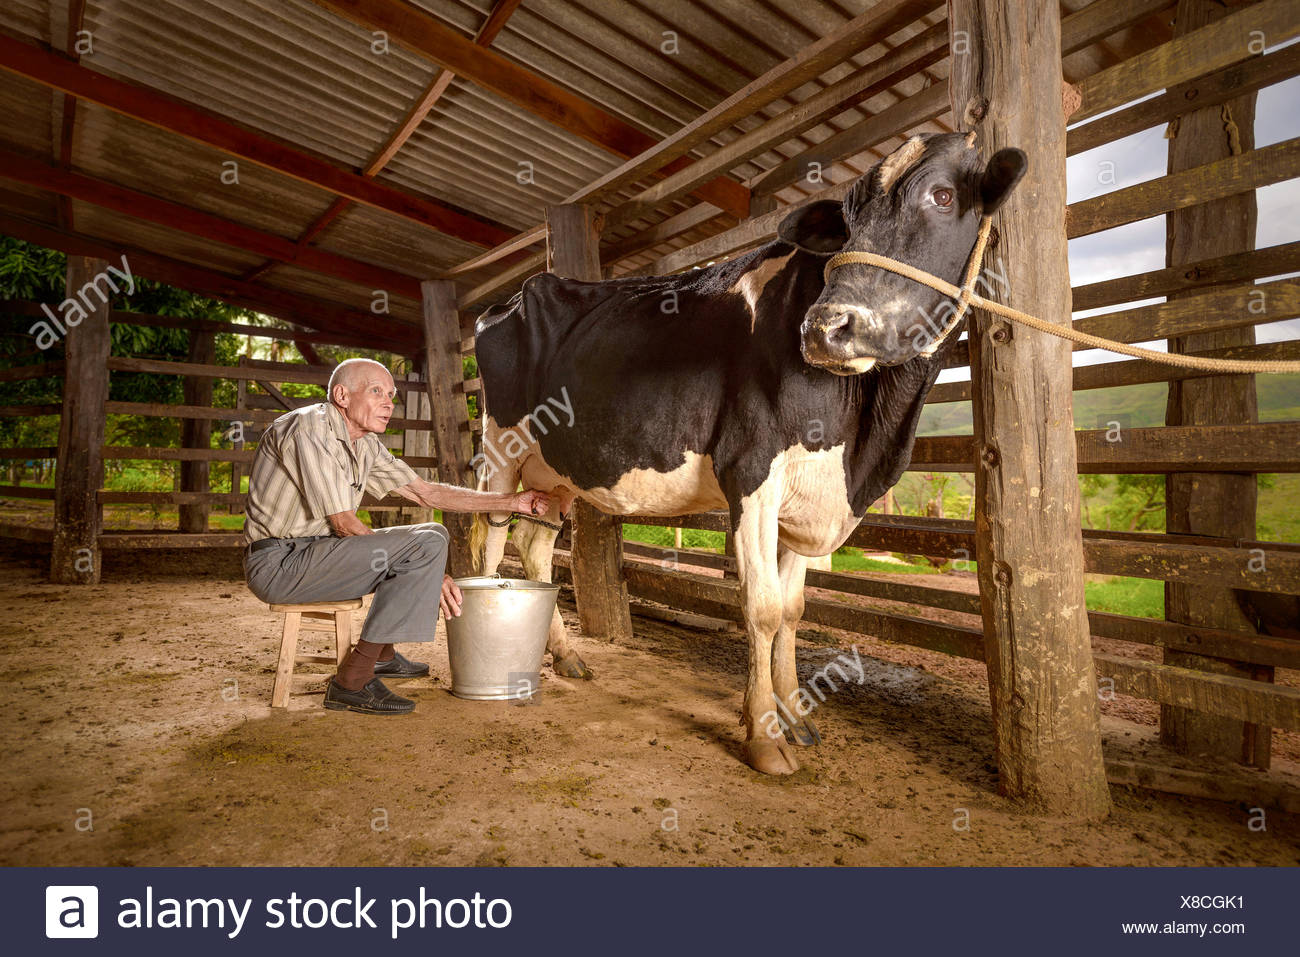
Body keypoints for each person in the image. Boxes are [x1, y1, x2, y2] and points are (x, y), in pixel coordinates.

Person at [243, 357, 550, 715]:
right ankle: (351, 682)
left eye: (392, 395)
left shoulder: (365, 444)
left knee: (428, 535)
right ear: (342, 395)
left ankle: (382, 655)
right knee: (424, 544)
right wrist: (425, 570)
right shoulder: (310, 429)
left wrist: (512, 500)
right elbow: (343, 522)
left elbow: (427, 494)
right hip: (280, 565)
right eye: (377, 392)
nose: (389, 403)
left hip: (317, 554)